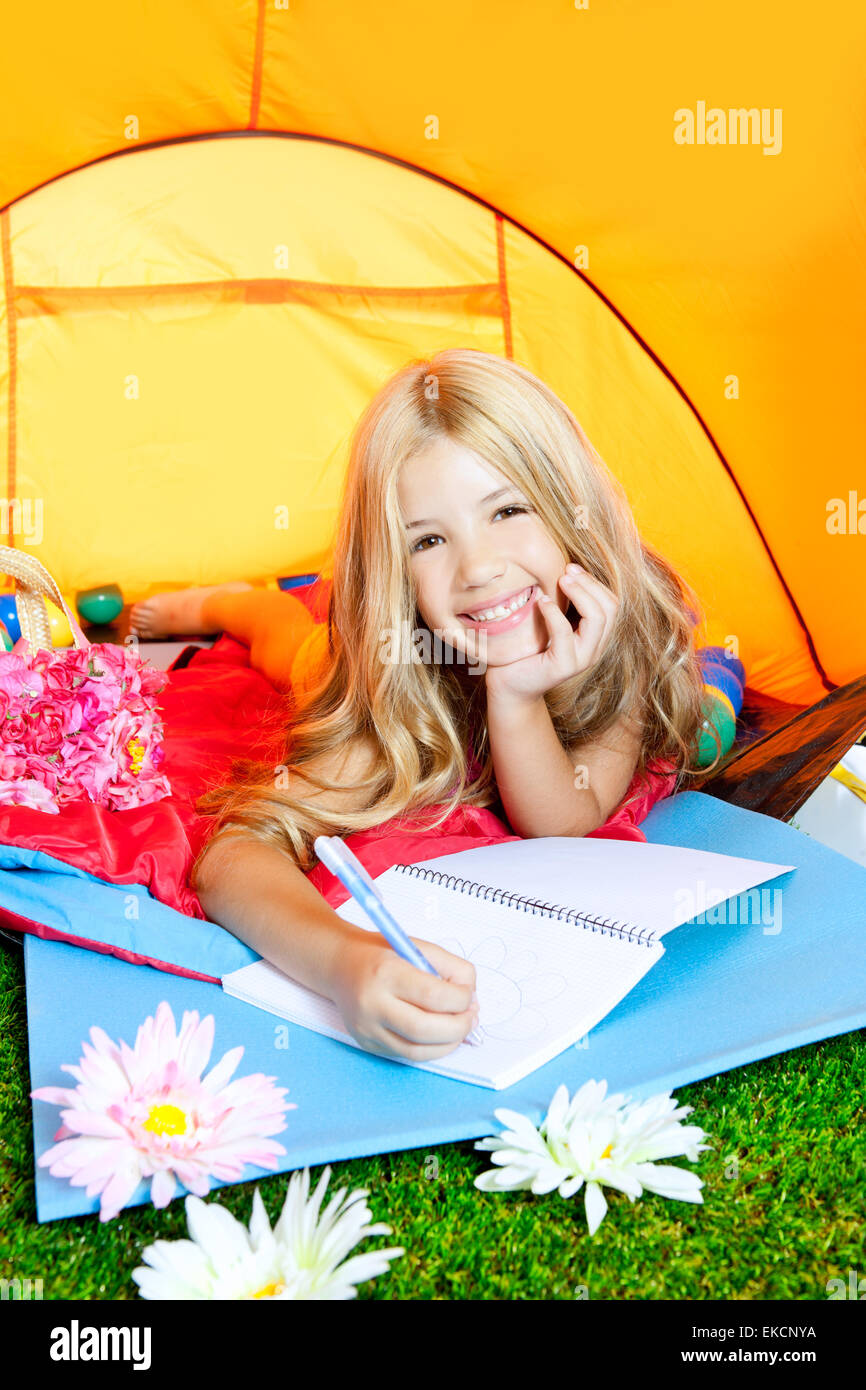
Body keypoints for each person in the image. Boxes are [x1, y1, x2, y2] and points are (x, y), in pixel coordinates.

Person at [132, 349, 709, 1064]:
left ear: (573, 510)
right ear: (398, 577)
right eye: (429, 540)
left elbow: (564, 820)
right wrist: (344, 961)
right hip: (378, 653)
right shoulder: (393, 677)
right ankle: (221, 600)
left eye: (506, 510)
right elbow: (230, 859)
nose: (478, 567)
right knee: (286, 642)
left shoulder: (622, 628)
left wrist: (515, 691)